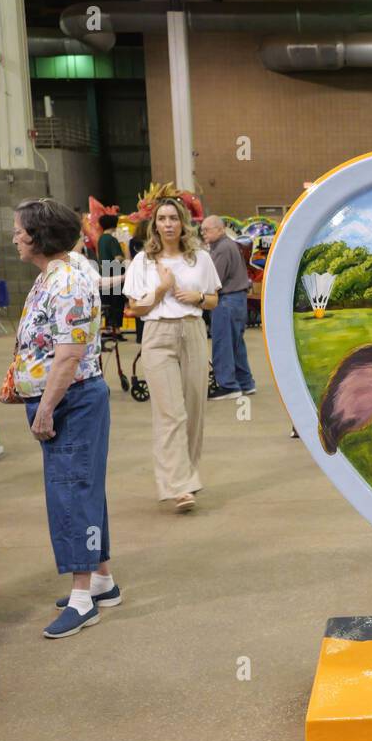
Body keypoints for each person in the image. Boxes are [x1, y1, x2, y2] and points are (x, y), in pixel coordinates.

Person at [11, 199, 117, 638]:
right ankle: (103, 582)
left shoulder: (67, 280)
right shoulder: (58, 271)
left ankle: (81, 600)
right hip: (66, 398)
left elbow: (69, 356)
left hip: (70, 401)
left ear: (37, 237)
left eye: (20, 230)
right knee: (85, 487)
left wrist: (47, 409)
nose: (14, 237)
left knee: (71, 495)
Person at [122, 199, 220, 512]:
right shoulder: (143, 262)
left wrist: (198, 297)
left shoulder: (200, 259)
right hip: (158, 336)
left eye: (173, 218)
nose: (168, 224)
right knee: (171, 413)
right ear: (154, 225)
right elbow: (136, 307)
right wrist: (163, 288)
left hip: (192, 332)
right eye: (162, 219)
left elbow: (214, 300)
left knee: (194, 409)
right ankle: (178, 487)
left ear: (183, 224)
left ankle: (186, 476)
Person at [200, 215, 256, 400]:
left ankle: (228, 385)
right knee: (236, 344)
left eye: (207, 230)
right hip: (237, 300)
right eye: (203, 230)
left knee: (223, 344)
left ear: (220, 229)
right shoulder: (227, 245)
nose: (204, 233)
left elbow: (213, 279)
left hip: (226, 301)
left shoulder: (222, 248)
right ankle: (245, 383)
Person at [95, 214, 127, 338]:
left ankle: (108, 329)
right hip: (115, 274)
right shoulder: (112, 239)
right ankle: (116, 330)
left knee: (107, 303)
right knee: (117, 303)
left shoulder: (101, 239)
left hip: (104, 274)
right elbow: (118, 257)